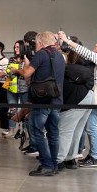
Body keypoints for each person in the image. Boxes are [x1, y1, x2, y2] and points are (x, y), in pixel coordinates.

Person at [58, 35, 97, 168]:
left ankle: (95, 156)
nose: (95, 44)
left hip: (94, 97)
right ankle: (88, 155)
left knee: (91, 127)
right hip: (90, 97)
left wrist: (67, 41)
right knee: (85, 127)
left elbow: (85, 52)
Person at [19, 31, 64, 176]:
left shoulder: (41, 54)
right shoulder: (60, 56)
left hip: (41, 100)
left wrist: (18, 69)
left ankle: (46, 165)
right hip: (56, 99)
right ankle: (54, 164)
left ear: (40, 43)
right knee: (53, 133)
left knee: (36, 132)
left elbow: (27, 74)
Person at [54, 37, 93, 169]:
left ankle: (58, 160)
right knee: (77, 130)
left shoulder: (66, 65)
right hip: (88, 97)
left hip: (76, 100)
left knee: (64, 130)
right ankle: (70, 159)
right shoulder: (84, 64)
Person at [0, 41, 11, 136]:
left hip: (2, 85)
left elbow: (4, 73)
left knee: (3, 108)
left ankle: (6, 127)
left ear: (0, 49)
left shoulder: (5, 60)